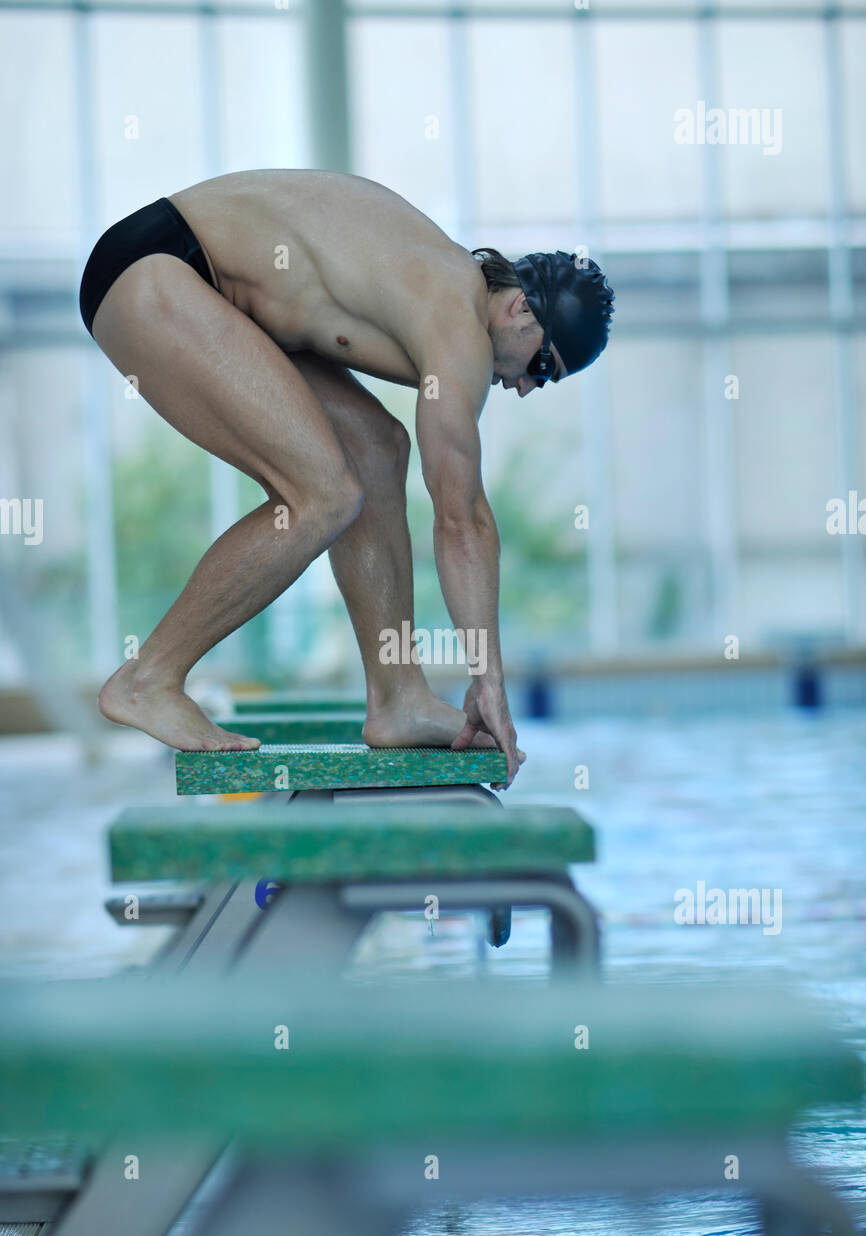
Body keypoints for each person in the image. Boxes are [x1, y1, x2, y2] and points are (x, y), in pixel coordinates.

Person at [80, 170, 614, 787]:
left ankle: (398, 700)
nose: (525, 385)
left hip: (201, 280)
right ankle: (147, 679)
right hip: (157, 271)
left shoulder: (445, 290)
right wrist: (488, 679)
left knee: (377, 449)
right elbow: (461, 518)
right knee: (322, 495)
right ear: (521, 305)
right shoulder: (456, 324)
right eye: (542, 365)